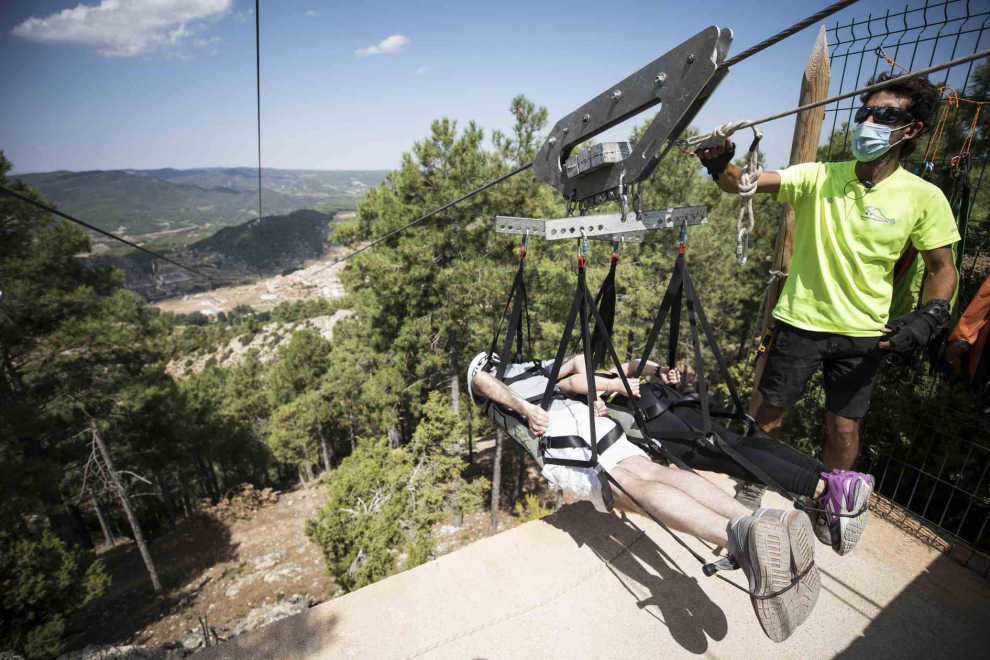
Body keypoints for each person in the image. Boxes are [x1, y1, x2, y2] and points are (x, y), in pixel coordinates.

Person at [696, 72, 960, 515]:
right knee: (768, 415)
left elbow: (942, 268)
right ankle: (751, 491)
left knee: (843, 429)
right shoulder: (819, 176)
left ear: (911, 129)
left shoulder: (924, 197)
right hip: (800, 321)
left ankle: (831, 507)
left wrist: (930, 315)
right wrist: (720, 164)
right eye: (868, 112)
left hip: (863, 333)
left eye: (887, 115)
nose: (871, 121)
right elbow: (745, 184)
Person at [467, 351, 819, 642]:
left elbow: (481, 380)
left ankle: (738, 536)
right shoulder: (538, 369)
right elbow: (577, 362)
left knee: (627, 488)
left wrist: (528, 411)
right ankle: (753, 521)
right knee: (657, 473)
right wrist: (594, 393)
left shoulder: (501, 379)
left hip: (562, 441)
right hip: (593, 424)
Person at [558, 358, 874, 557]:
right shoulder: (599, 369)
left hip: (651, 418)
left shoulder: (568, 374)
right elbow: (632, 365)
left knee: (727, 457)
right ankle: (832, 479)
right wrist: (659, 371)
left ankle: (822, 489)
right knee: (737, 444)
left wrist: (608, 388)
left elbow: (575, 378)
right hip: (664, 402)